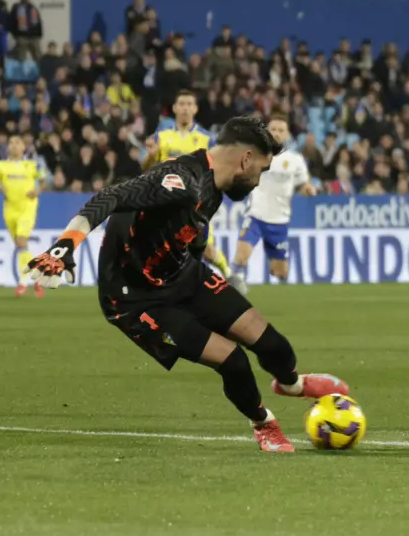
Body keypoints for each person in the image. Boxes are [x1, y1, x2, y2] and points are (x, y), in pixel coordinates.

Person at [25, 116, 349, 453]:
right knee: (233, 361)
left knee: (272, 345)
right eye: (262, 170)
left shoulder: (213, 188)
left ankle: (292, 385)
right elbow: (110, 197)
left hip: (182, 274)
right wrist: (63, 248)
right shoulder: (179, 179)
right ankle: (263, 423)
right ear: (246, 158)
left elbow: (190, 235)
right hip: (136, 300)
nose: (258, 181)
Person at [142, 90, 236, 284]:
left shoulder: (207, 139)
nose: (185, 108)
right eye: (181, 104)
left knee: (207, 250)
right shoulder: (161, 137)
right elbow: (144, 168)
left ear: (195, 109)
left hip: (196, 204)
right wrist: (151, 156)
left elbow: (216, 170)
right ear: (175, 108)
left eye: (189, 104)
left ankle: (229, 274)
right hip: (166, 202)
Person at [231, 114, 315, 293]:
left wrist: (308, 190)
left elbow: (302, 184)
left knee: (281, 272)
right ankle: (233, 293)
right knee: (241, 258)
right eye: (273, 129)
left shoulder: (295, 160)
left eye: (280, 130)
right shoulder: (254, 155)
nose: (276, 133)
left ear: (287, 134)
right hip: (256, 214)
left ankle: (273, 268)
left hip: (279, 221)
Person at [0, 134, 48, 297]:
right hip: (9, 209)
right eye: (11, 142)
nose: (14, 145)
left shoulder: (33, 164)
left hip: (27, 208)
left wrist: (37, 190)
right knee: (21, 246)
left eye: (17, 143)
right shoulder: (0, 166)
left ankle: (22, 283)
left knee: (22, 242)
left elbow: (43, 181)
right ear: (8, 147)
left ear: (23, 147)